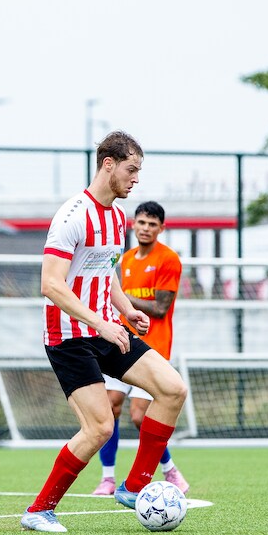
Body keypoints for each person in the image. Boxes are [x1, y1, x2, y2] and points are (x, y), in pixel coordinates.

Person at [20, 131, 188, 533]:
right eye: (131, 170)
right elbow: (51, 285)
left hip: (106, 329)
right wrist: (103, 324)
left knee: (172, 389)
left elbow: (103, 268)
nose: (135, 180)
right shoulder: (72, 216)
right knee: (99, 428)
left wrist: (126, 309)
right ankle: (39, 510)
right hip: (69, 338)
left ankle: (134, 486)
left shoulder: (115, 216)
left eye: (139, 172)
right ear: (108, 165)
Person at [92, 201, 190, 496]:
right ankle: (107, 478)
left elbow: (160, 308)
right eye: (141, 222)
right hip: (121, 343)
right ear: (132, 224)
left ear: (161, 228)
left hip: (153, 350)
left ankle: (170, 471)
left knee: (138, 415)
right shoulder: (126, 259)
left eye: (152, 224)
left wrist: (120, 297)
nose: (145, 228)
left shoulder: (168, 259)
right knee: (109, 407)